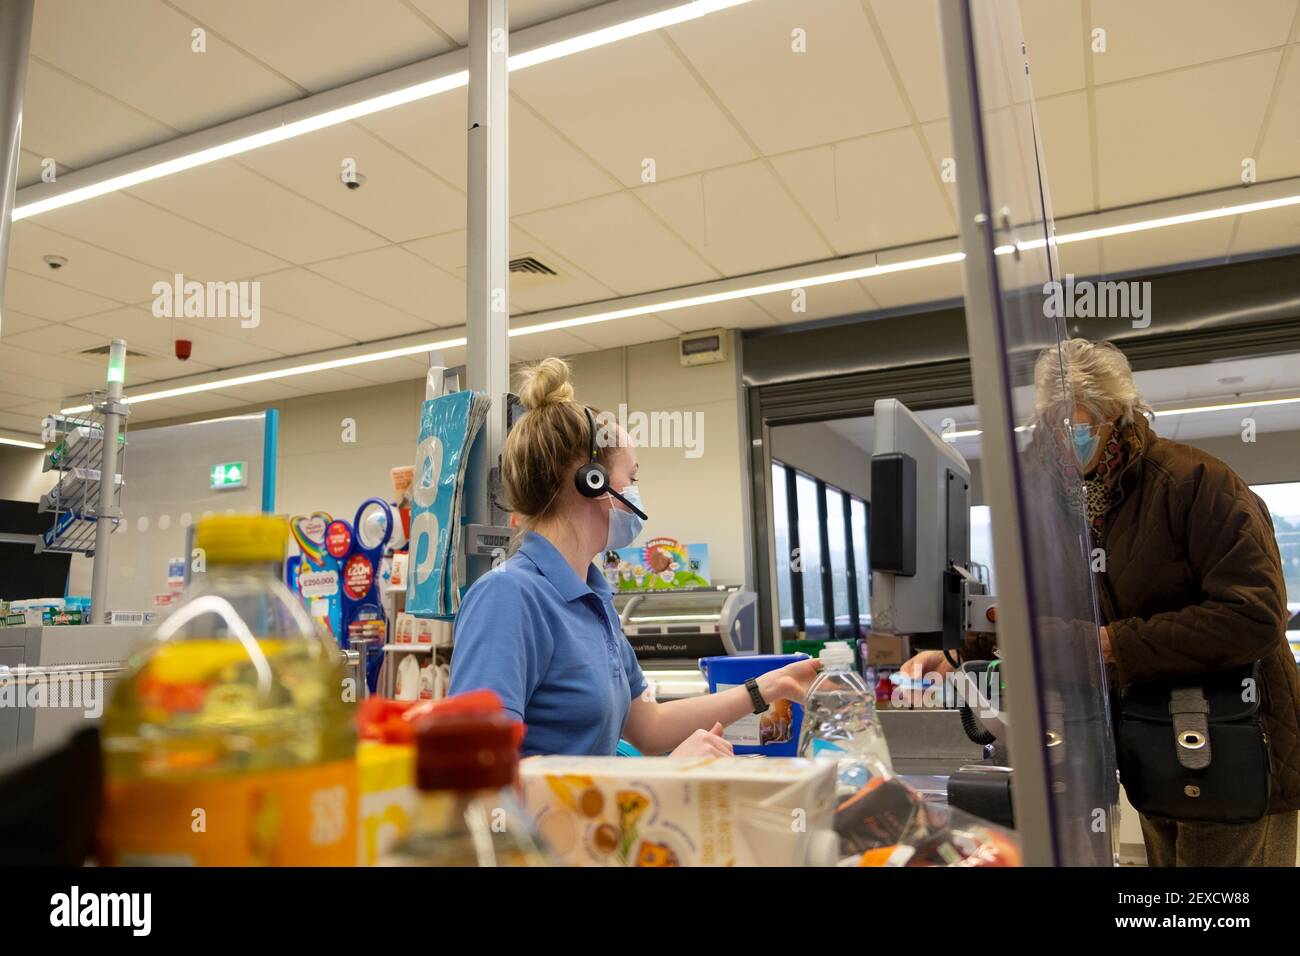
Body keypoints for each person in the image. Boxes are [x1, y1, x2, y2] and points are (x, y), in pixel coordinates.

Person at [903, 338, 1300, 866]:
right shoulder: (1065, 507)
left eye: (1078, 426)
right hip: (1160, 749)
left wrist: (1110, 644)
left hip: (1244, 748)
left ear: (1119, 415)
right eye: (1052, 426)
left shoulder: (1198, 485)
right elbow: (1044, 612)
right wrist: (959, 651)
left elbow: (1255, 617)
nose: (1064, 442)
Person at [449, 357, 820, 758]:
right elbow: (476, 768)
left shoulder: (594, 599)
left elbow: (650, 726)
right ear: (592, 481)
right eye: (633, 476)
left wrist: (767, 688)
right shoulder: (508, 597)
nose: (637, 490)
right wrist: (654, 780)